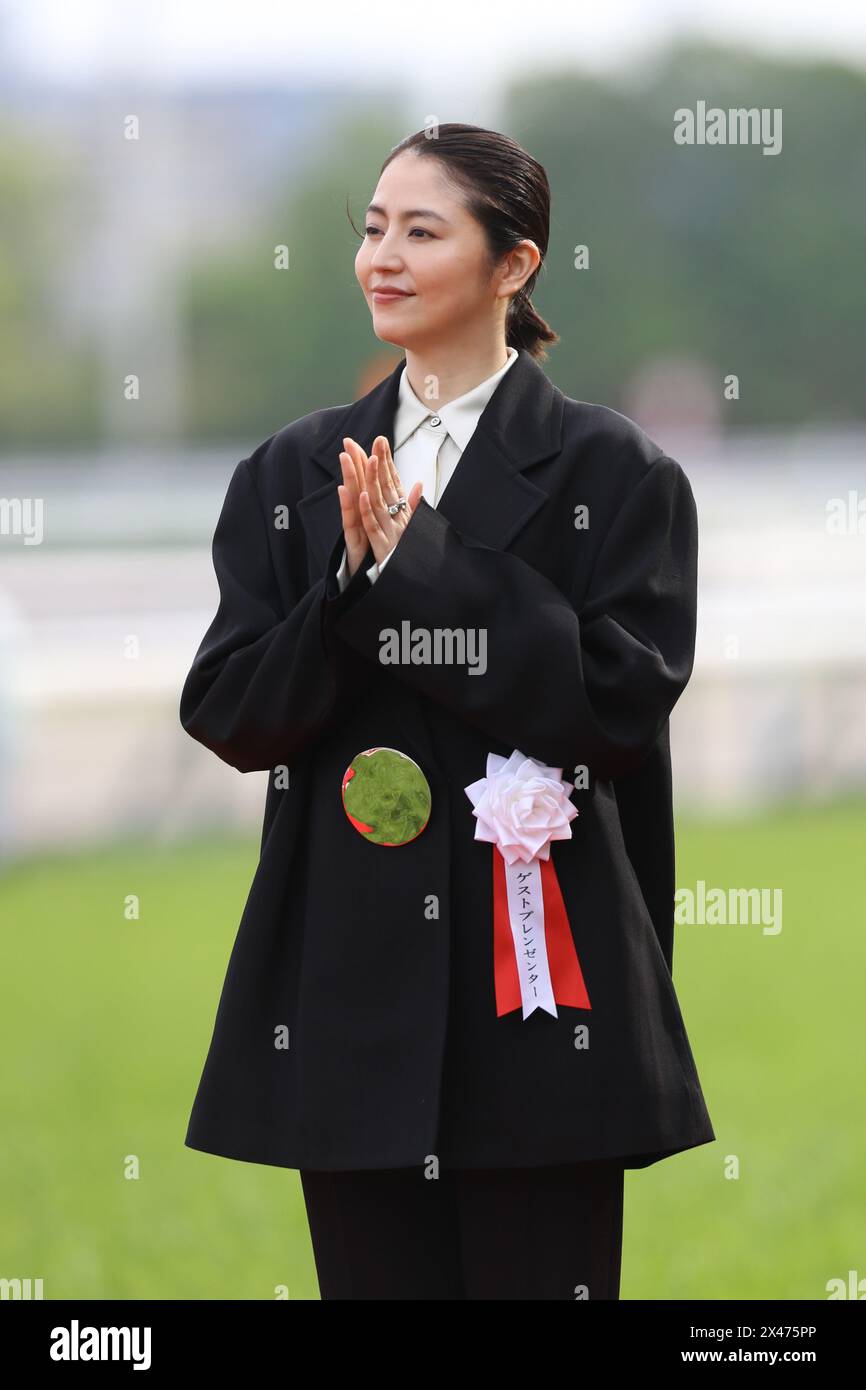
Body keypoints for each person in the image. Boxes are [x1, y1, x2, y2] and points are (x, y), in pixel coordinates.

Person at [179, 122, 715, 1301]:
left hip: (537, 1005)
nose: (383, 256)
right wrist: (342, 595)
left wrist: (417, 563)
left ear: (512, 264)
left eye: (422, 231)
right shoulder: (288, 474)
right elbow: (230, 710)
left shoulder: (613, 475)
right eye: (373, 228)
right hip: (346, 999)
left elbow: (614, 708)